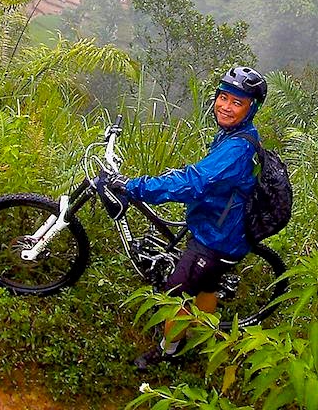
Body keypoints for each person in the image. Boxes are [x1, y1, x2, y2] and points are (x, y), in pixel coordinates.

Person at [98, 66, 266, 370]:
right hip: (220, 222)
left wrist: (135, 186)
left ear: (251, 108)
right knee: (207, 284)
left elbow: (194, 182)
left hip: (217, 238)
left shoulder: (237, 148)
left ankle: (170, 351)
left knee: (176, 294)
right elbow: (208, 177)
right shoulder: (237, 134)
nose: (226, 107)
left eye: (237, 102)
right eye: (223, 97)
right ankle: (205, 331)